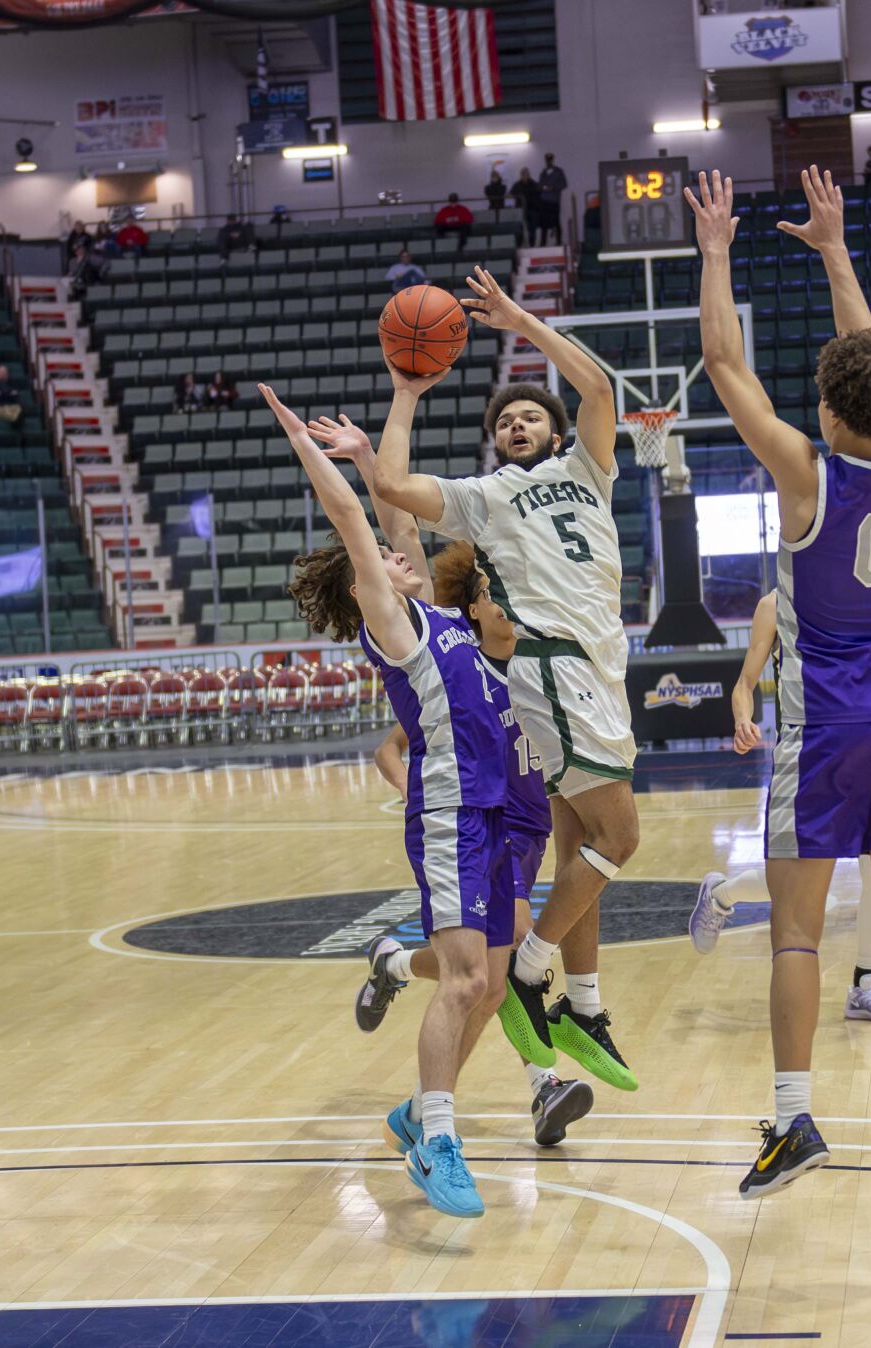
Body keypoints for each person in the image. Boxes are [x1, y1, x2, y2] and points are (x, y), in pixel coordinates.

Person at [687, 164, 871, 1201]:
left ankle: (794, 1120)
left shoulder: (807, 476)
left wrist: (716, 247)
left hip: (824, 727)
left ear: (827, 405)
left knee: (796, 935)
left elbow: (722, 361)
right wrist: (835, 252)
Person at [372, 266, 639, 1096]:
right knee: (620, 838)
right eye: (506, 420)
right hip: (553, 665)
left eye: (530, 415)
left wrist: (524, 323)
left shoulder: (590, 469)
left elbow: (597, 385)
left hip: (598, 663)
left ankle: (584, 1004)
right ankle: (530, 973)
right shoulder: (483, 498)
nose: (516, 423)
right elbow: (388, 487)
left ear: (556, 434)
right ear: (498, 444)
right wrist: (406, 393)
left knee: (578, 846)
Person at [259, 383, 510, 1221]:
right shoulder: (393, 624)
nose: (405, 553)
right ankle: (436, 1137)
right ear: (371, 584)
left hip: (493, 802)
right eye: (389, 560)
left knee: (490, 979)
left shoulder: (433, 612)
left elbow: (390, 498)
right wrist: (303, 443)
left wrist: (404, 397)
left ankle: (397, 982)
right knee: (470, 978)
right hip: (450, 807)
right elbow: (357, 521)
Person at [354, 524, 596, 1148]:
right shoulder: (457, 658)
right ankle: (543, 1083)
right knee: (509, 960)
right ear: (471, 610)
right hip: (486, 820)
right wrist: (418, 789)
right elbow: (394, 744)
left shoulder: (538, 671)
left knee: (487, 983)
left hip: (526, 825)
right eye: (495, 594)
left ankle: (397, 967)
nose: (508, 604)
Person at [689, 585, 871, 1012]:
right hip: (809, 751)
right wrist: (743, 718)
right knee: (803, 881)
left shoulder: (858, 597)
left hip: (870, 744)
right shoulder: (772, 606)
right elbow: (744, 684)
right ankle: (722, 895)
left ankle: (866, 983)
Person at [536, 153, 567, 246]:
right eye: (547, 159)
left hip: (554, 201)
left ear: (552, 160)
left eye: (550, 159)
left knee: (556, 221)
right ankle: (543, 243)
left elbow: (564, 184)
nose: (548, 161)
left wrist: (553, 188)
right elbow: (539, 186)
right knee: (544, 223)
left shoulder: (559, 172)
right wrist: (542, 188)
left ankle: (558, 241)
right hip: (544, 200)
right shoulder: (543, 173)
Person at [511, 167, 539, 247]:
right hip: (520, 210)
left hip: (532, 209)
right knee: (519, 230)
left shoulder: (534, 184)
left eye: (526, 174)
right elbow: (511, 194)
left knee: (532, 230)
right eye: (523, 174)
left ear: (529, 174)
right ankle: (520, 246)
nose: (524, 175)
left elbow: (538, 195)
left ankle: (532, 245)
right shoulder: (517, 185)